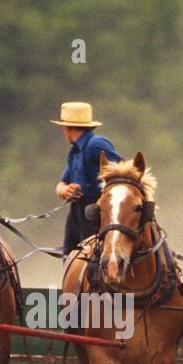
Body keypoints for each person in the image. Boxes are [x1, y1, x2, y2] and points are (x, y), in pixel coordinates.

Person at [51, 102, 122, 253]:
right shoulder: (74, 151)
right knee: (70, 256)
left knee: (94, 259)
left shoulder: (96, 144)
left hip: (96, 213)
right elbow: (61, 184)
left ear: (67, 128)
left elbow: (122, 172)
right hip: (77, 213)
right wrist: (65, 190)